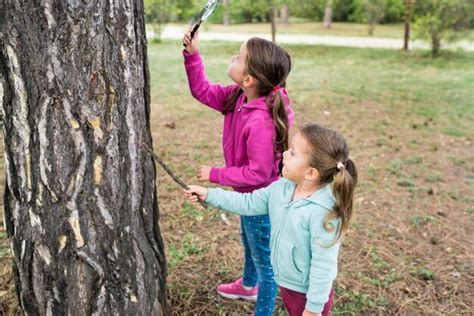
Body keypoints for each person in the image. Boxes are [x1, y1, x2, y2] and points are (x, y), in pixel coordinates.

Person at [185, 124, 358, 316]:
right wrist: (209, 195)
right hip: (287, 283)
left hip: (308, 294)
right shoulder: (281, 188)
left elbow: (324, 265)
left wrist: (313, 308)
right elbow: (247, 202)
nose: (284, 153)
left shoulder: (325, 213)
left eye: (292, 153)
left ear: (311, 173)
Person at [182, 29, 294, 316]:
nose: (234, 56)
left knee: (265, 261)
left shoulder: (260, 123)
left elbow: (257, 174)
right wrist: (193, 55)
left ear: (249, 79)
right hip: (249, 198)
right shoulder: (238, 96)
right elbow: (202, 91)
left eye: (239, 56)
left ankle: (263, 309)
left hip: (263, 201)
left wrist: (216, 174)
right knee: (249, 240)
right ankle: (247, 284)